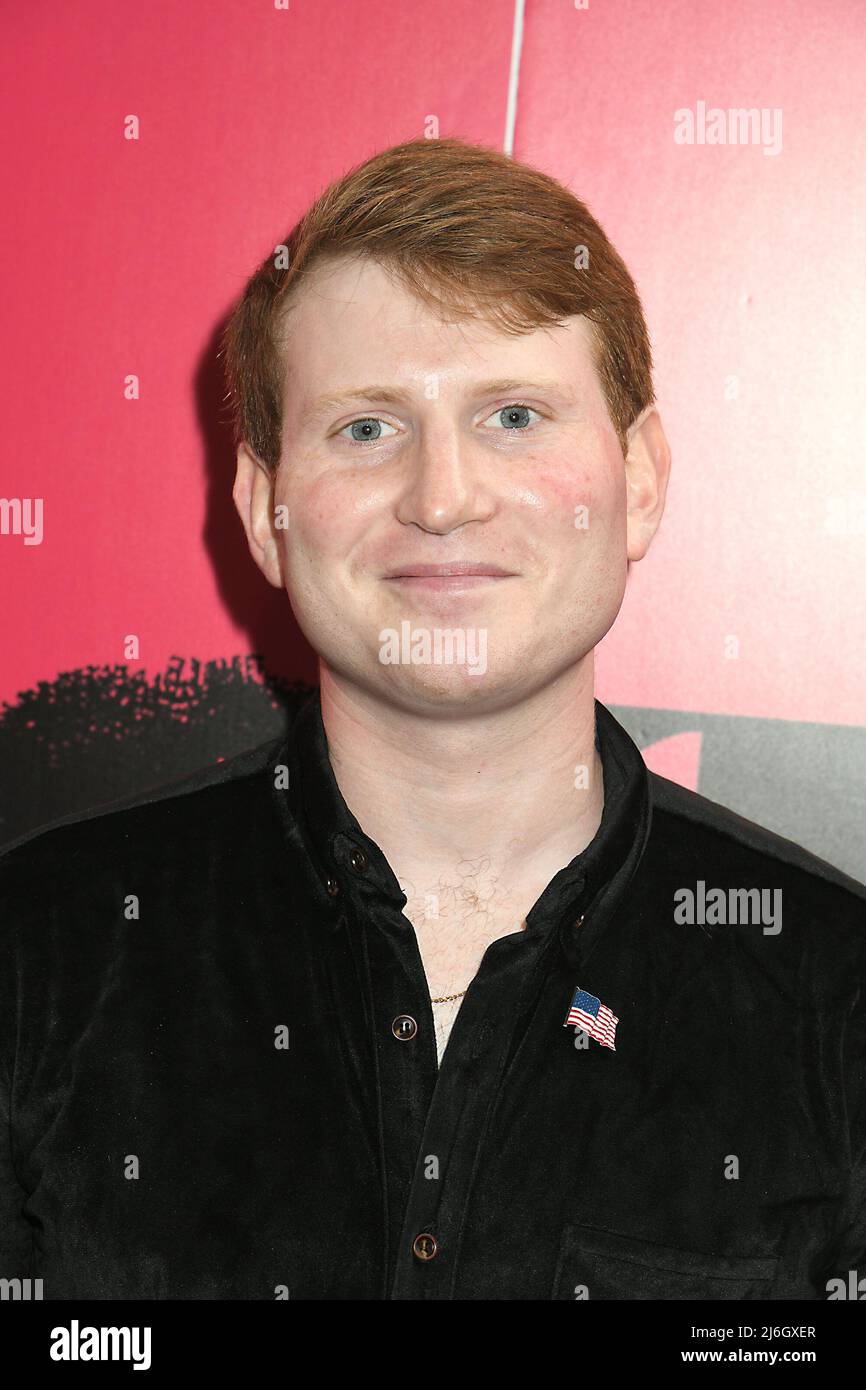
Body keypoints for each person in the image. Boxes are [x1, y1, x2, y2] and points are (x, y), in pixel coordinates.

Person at [1, 137, 863, 1301]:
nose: (443, 495)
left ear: (639, 479)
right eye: (366, 428)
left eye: (512, 415)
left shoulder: (838, 990)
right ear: (266, 512)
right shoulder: (37, 951)